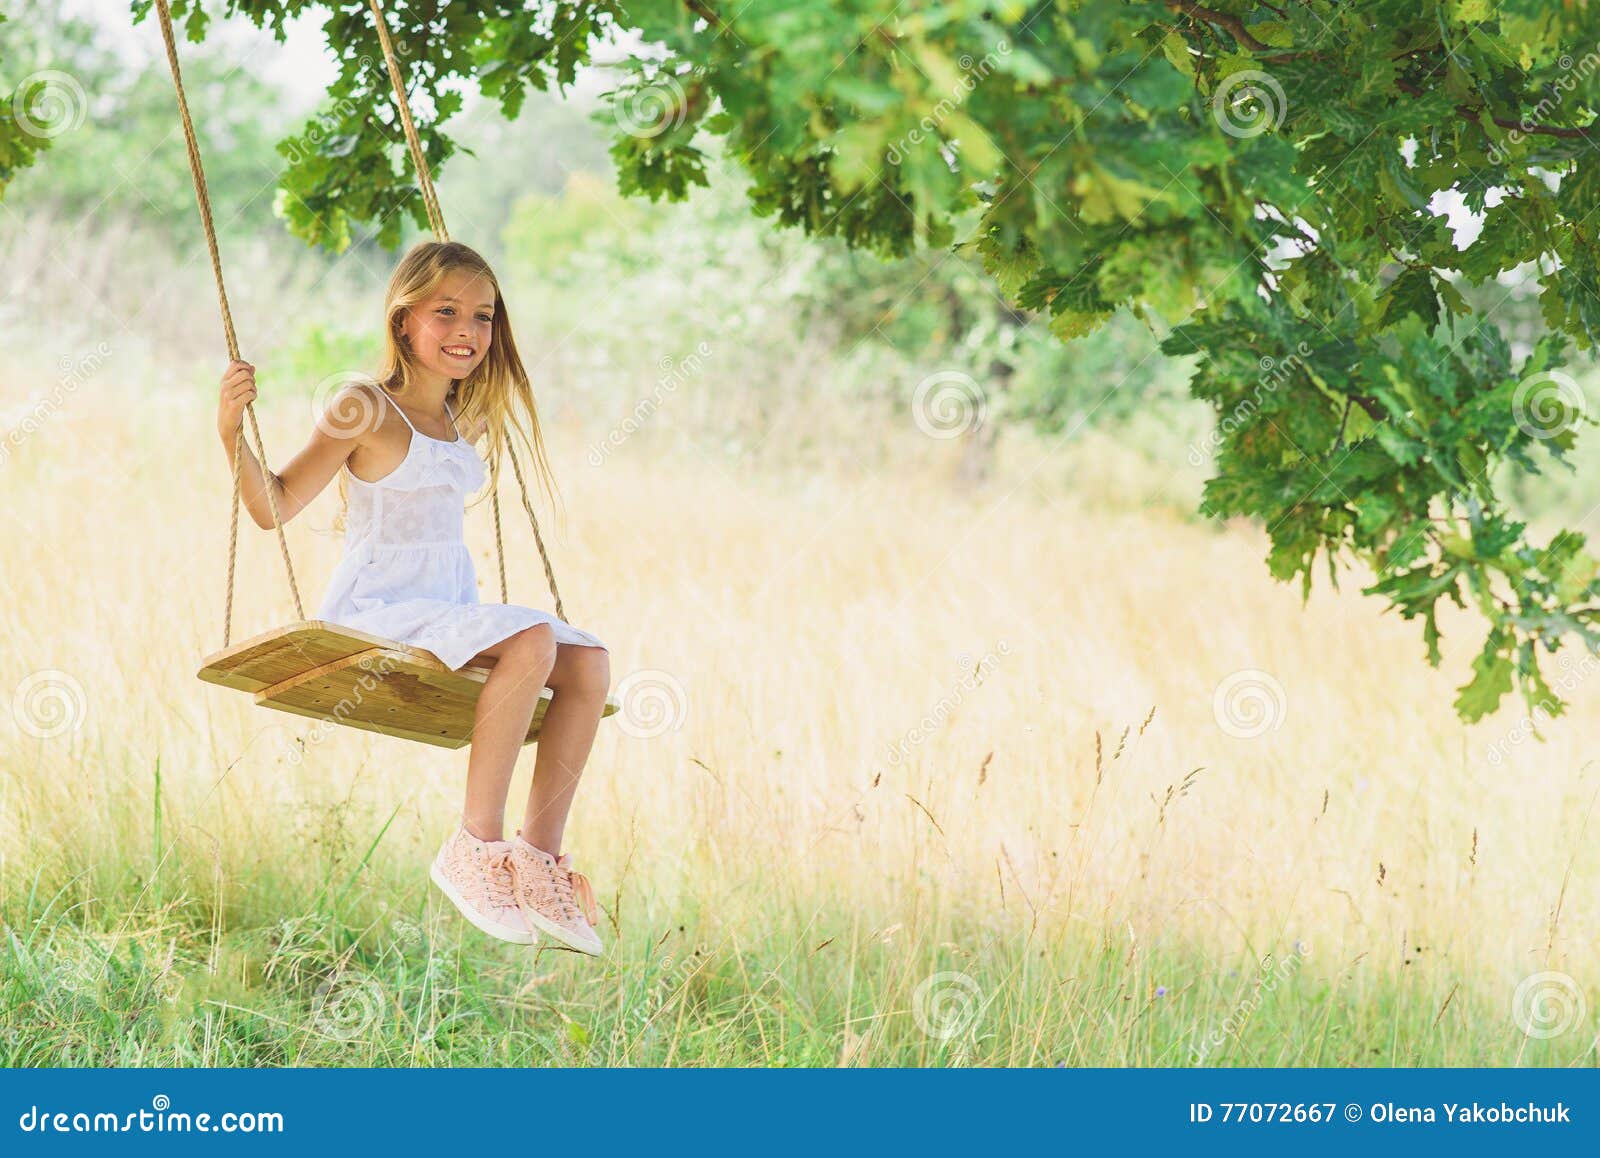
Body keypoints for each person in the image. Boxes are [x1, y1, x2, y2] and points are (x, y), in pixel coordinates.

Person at [215, 240, 609, 955]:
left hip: (445, 610)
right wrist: (230, 432)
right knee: (532, 640)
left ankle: (536, 858)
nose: (467, 331)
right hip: (379, 610)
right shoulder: (363, 406)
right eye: (445, 312)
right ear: (403, 321)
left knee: (589, 662)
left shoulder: (466, 417)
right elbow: (273, 507)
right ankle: (473, 846)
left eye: (483, 316)